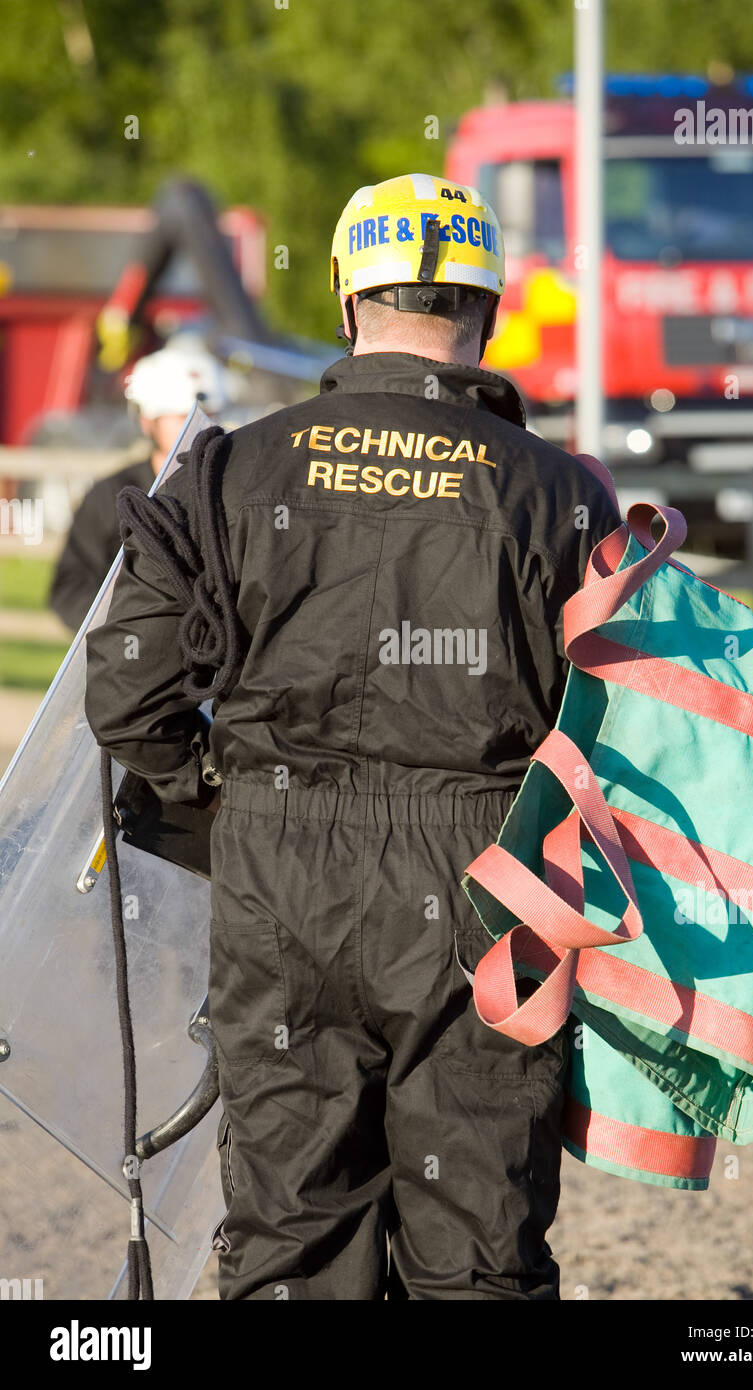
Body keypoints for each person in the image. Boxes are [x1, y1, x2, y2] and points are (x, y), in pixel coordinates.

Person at [84, 173, 620, 1301]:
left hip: (278, 871)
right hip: (487, 884)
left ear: (343, 299)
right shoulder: (561, 491)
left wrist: (226, 810)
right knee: (478, 1250)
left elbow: (126, 689)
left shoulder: (227, 470)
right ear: (489, 303)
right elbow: (628, 732)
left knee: (289, 1242)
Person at [50, 343, 235, 630]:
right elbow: (71, 587)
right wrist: (121, 632)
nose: (200, 427)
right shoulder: (111, 495)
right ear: (148, 421)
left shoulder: (233, 490)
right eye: (182, 417)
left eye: (209, 415)